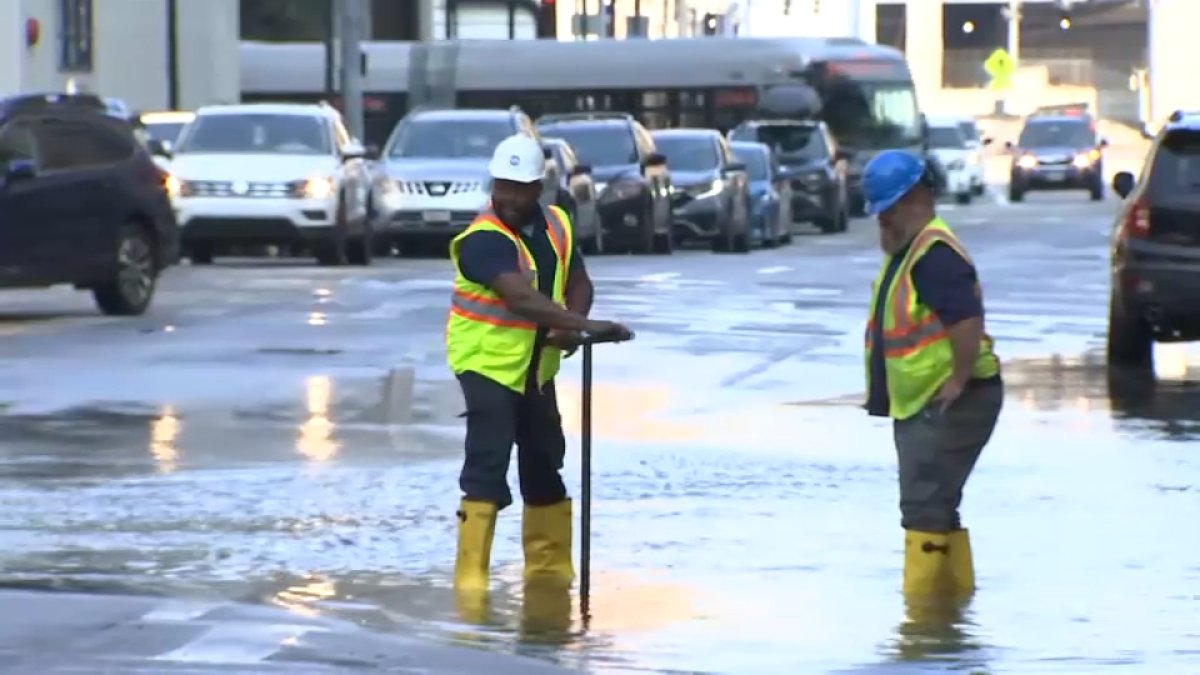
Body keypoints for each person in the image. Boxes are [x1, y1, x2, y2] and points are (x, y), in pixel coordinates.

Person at [446, 133, 632, 603]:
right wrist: (587, 326)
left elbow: (579, 280)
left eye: (520, 187)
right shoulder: (481, 240)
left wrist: (572, 327)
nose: (508, 197)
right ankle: (471, 582)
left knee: (544, 463)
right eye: (502, 185)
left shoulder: (558, 225)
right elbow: (521, 298)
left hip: (537, 369)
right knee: (488, 462)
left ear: (538, 188)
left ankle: (549, 575)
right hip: (486, 364)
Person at [860, 149, 1003, 601]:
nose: (883, 221)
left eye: (890, 209)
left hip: (952, 399)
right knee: (936, 504)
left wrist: (958, 379)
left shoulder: (932, 254)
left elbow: (966, 321)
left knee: (923, 504)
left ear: (919, 199)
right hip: (926, 400)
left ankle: (924, 623)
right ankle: (949, 615)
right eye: (879, 212)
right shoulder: (912, 251)